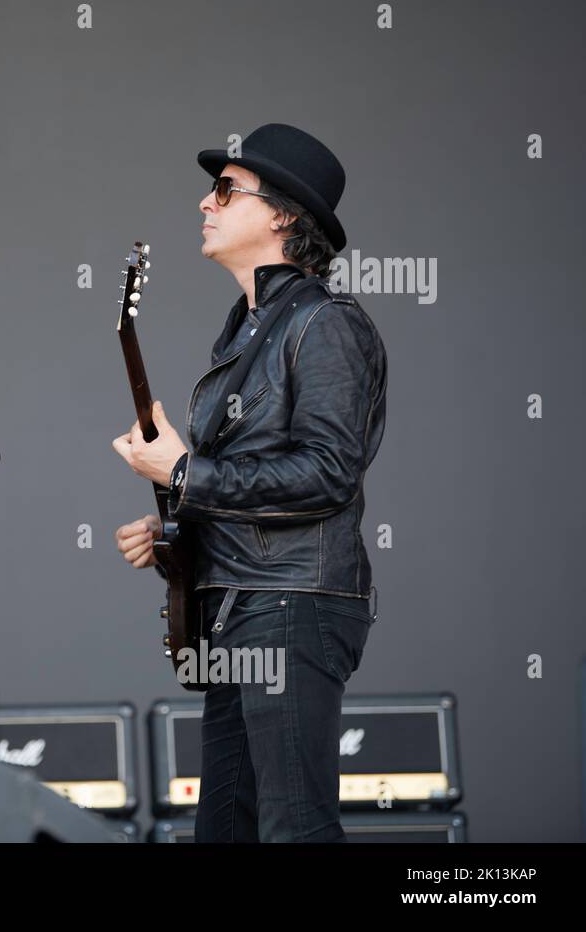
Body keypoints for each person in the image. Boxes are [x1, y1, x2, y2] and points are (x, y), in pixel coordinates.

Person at [111, 123, 387, 841]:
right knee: (225, 831)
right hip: (240, 608)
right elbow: (249, 482)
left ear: (283, 214)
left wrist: (180, 470)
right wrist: (175, 524)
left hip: (293, 603)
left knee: (294, 827)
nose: (206, 203)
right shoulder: (247, 333)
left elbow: (328, 472)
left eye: (226, 190)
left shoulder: (323, 324)